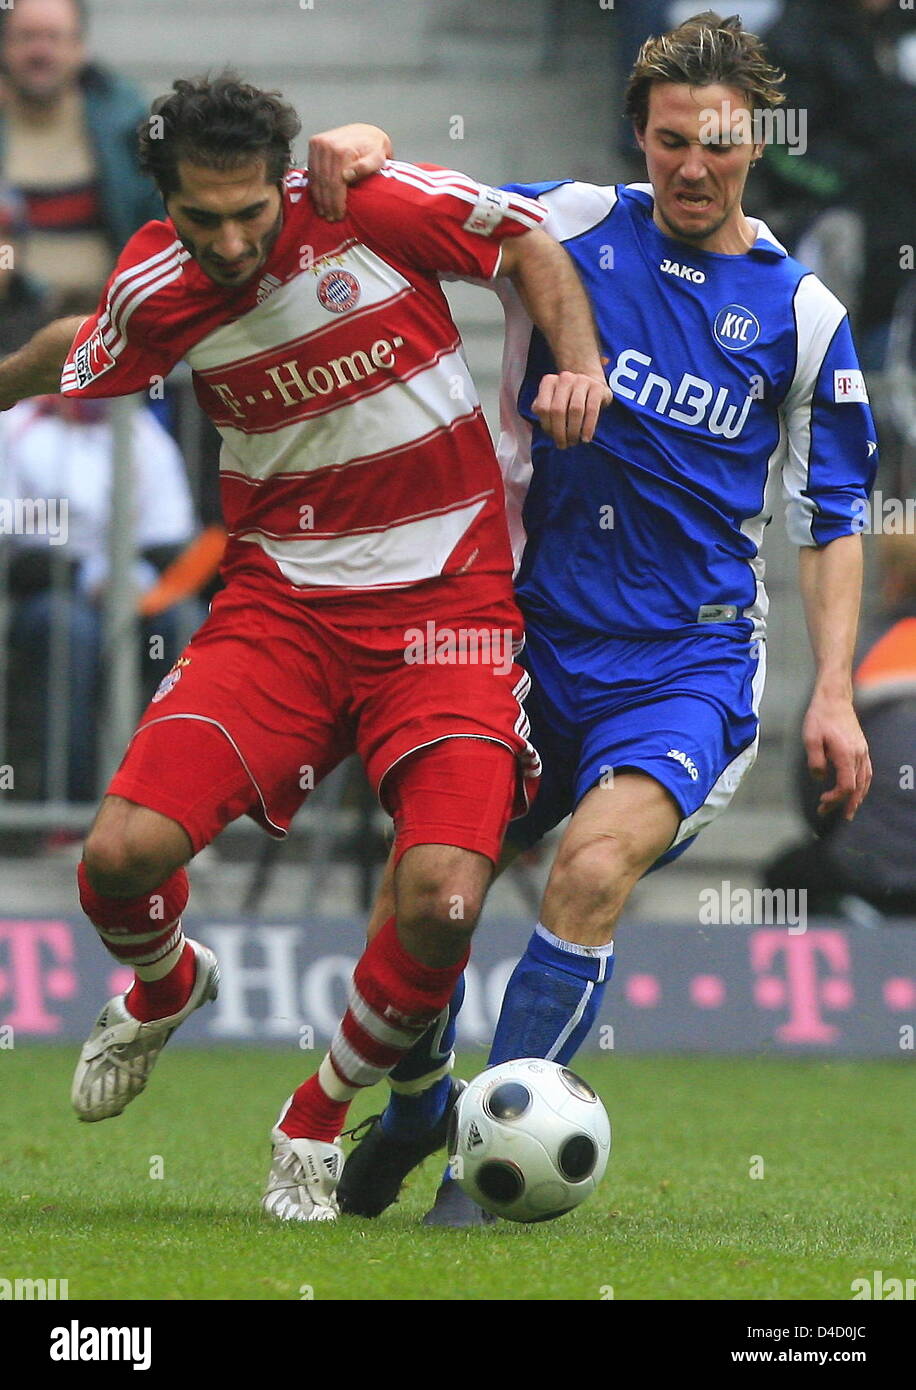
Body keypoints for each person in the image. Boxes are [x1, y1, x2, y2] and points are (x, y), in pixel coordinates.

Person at [0, 72, 610, 1221]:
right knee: (119, 857)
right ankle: (167, 981)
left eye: (250, 213)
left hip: (449, 615)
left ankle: (316, 1119)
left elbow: (526, 237)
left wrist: (572, 363)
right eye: (201, 218)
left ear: (282, 181)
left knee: (439, 901)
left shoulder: (364, 202)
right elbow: (70, 347)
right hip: (282, 615)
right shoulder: (160, 287)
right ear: (163, 201)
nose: (231, 241)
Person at [307, 8, 877, 1225]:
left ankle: (473, 1166)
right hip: (526, 636)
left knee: (591, 866)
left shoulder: (804, 314)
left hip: (687, 662)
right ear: (641, 134)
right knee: (431, 895)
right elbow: (410, 199)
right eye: (670, 141)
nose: (690, 167)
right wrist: (360, 139)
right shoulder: (564, 223)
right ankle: (417, 1100)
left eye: (716, 145)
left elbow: (832, 515)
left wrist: (830, 692)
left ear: (754, 145)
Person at [1, 393, 201, 802]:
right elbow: (11, 538)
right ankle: (70, 814)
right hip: (44, 590)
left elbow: (171, 538)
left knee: (186, 624)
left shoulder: (143, 430)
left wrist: (135, 578)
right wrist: (86, 575)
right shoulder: (15, 425)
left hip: (136, 594)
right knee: (69, 632)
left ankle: (169, 809)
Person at [764, 533, 916, 919]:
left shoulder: (863, 655)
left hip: (870, 871)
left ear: (892, 579)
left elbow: (816, 784)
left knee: (787, 876)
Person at [0, 0, 162, 297]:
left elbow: (162, 222)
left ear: (80, 46)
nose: (40, 52)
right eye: (25, 37)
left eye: (54, 37)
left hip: (106, 319)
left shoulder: (126, 121)